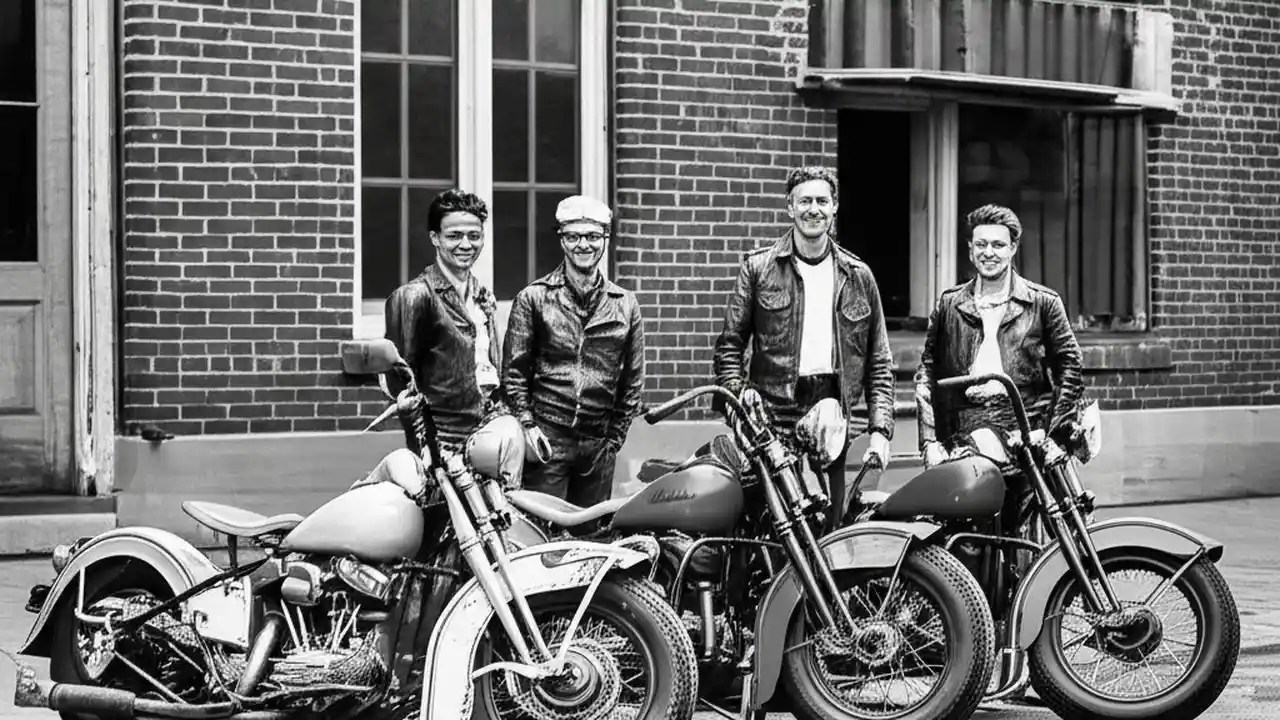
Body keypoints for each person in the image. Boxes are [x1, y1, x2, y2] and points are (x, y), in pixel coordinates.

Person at [712, 166, 896, 530]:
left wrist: (880, 430)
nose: (814, 209)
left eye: (822, 201)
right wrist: (739, 401)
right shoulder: (759, 268)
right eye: (805, 201)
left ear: (835, 207)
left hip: (833, 414)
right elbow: (729, 348)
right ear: (789, 207)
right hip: (772, 415)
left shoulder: (858, 276)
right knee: (772, 527)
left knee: (833, 526)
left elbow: (879, 361)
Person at [914, 203, 1085, 468]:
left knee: (1050, 506)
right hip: (966, 427)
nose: (989, 253)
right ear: (970, 250)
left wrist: (1055, 431)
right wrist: (929, 441)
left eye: (998, 245)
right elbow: (928, 372)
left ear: (1013, 248)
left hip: (1028, 424)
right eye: (981, 245)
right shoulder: (949, 304)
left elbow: (1070, 368)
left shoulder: (1043, 303)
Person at [502, 195, 646, 508]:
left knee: (593, 536)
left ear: (605, 239)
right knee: (544, 532)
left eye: (593, 236)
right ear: (562, 240)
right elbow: (514, 372)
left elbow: (633, 379)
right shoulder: (534, 298)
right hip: (548, 438)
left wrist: (614, 439)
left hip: (599, 443)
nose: (584, 245)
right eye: (573, 236)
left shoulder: (625, 304)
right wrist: (528, 426)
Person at [384, 188, 525, 487]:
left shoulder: (483, 296)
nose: (466, 244)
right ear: (435, 238)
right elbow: (403, 386)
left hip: (493, 433)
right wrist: (424, 448)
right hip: (444, 441)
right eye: (454, 236)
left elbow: (490, 368)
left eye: (474, 236)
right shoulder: (414, 297)